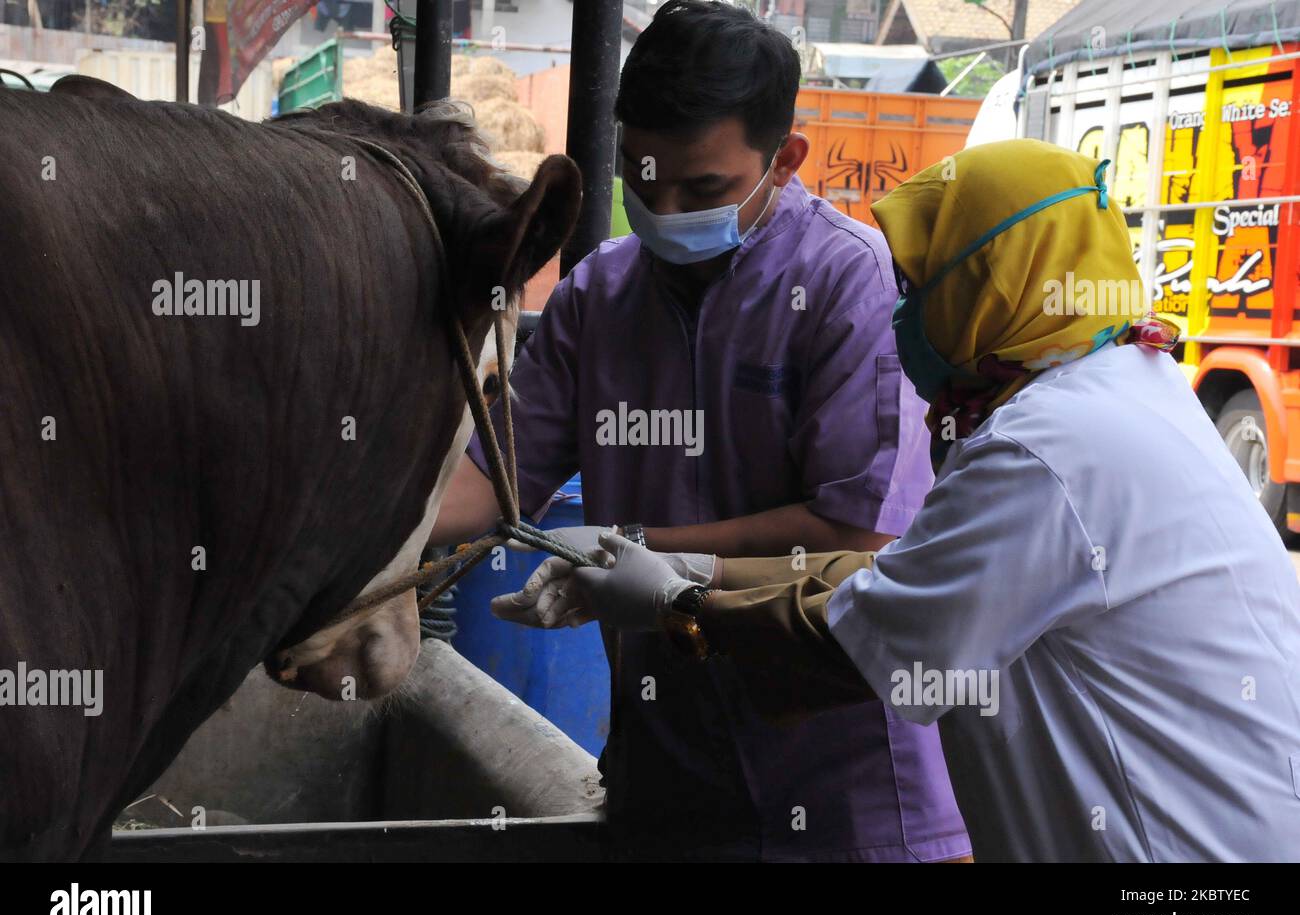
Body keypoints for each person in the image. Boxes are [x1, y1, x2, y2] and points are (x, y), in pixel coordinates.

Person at [497, 139, 1300, 862]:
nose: (902, 312)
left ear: (991, 284)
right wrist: (697, 563)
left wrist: (679, 600)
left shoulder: (1043, 450)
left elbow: (874, 642)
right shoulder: (1125, 388)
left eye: (920, 286)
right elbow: (902, 577)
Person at [428, 1, 971, 861]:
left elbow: (856, 529)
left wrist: (636, 552)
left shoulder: (845, 283)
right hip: (668, 775)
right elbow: (494, 478)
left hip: (841, 784)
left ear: (784, 161)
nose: (664, 210)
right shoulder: (598, 297)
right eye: (642, 185)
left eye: (702, 189)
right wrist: (371, 536)